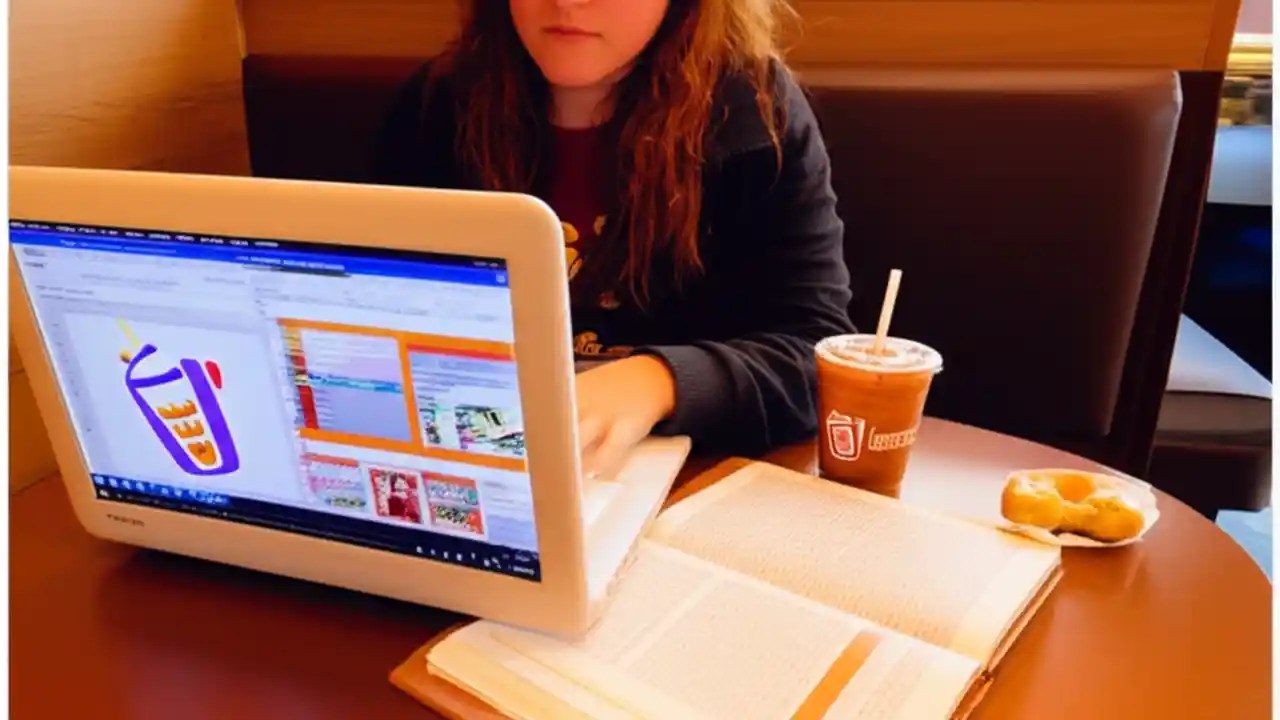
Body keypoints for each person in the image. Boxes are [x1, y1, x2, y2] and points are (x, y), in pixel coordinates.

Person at [375, 0, 854, 479]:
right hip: (485, 465)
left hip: (683, 479)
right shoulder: (438, 108)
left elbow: (816, 357)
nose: (565, 2)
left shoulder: (755, 113)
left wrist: (657, 381)